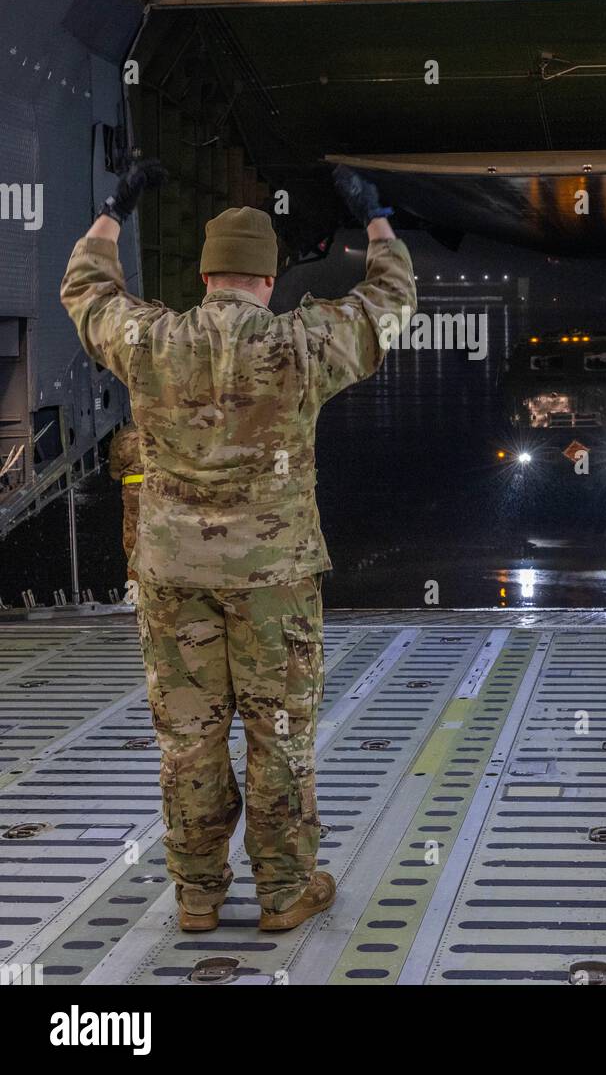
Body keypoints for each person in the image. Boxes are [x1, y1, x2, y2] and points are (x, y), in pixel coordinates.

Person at [60, 161, 416, 933]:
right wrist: (376, 220)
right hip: (273, 580)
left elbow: (86, 293)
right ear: (269, 275)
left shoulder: (151, 342)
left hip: (170, 575)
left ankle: (195, 894)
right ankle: (284, 892)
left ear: (204, 271)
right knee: (278, 734)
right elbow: (390, 305)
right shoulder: (301, 345)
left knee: (188, 738)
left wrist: (112, 213)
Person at [108, 422, 142, 590]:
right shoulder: (160, 431)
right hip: (159, 490)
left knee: (133, 541)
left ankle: (135, 591)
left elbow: (114, 473)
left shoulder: (122, 435)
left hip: (132, 495)